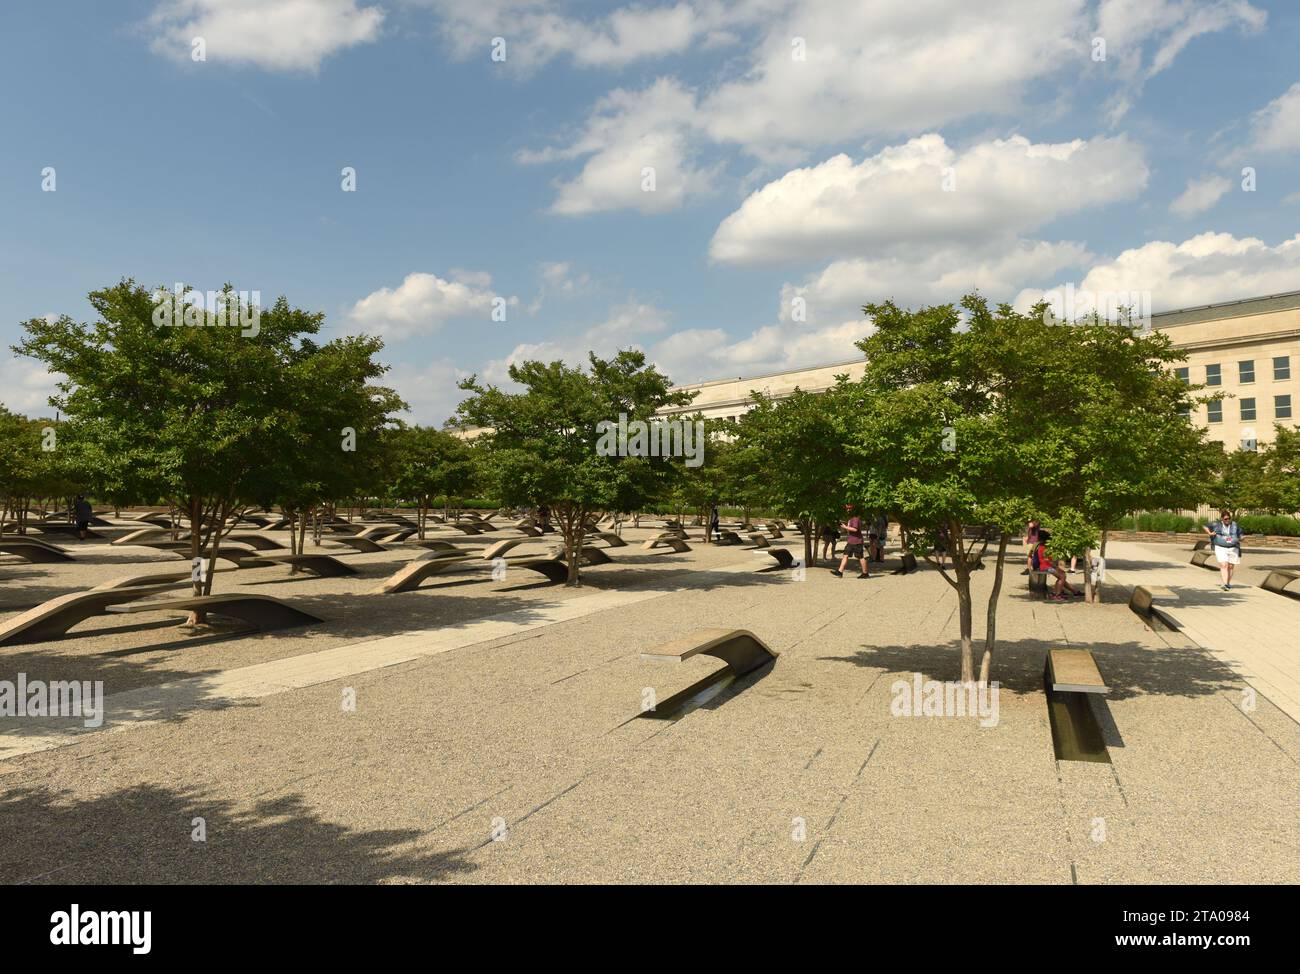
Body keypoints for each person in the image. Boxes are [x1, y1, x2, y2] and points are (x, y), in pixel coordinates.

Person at [1036, 530, 1082, 601]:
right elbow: (1048, 560)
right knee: (1062, 576)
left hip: (1046, 566)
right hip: (1046, 567)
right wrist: (1056, 567)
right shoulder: (1044, 547)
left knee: (1062, 576)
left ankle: (1072, 592)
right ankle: (1056, 594)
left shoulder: (1041, 546)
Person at [1204, 509, 1243, 590]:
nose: (1227, 520)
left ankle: (1228, 583)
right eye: (1225, 519)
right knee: (1224, 564)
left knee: (1231, 566)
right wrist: (1209, 533)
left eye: (1228, 518)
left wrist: (1242, 538)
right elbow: (1204, 526)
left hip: (1233, 548)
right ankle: (1225, 584)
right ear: (1222, 519)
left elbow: (1240, 534)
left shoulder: (1234, 525)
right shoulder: (1216, 524)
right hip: (1220, 547)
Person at [831, 504, 870, 579]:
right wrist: (844, 527)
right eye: (847, 509)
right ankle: (840, 572)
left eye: (849, 509)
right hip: (851, 541)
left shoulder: (855, 519)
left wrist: (845, 527)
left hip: (857, 541)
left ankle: (865, 573)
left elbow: (855, 529)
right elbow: (850, 529)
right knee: (845, 555)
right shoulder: (851, 519)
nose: (847, 510)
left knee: (860, 557)